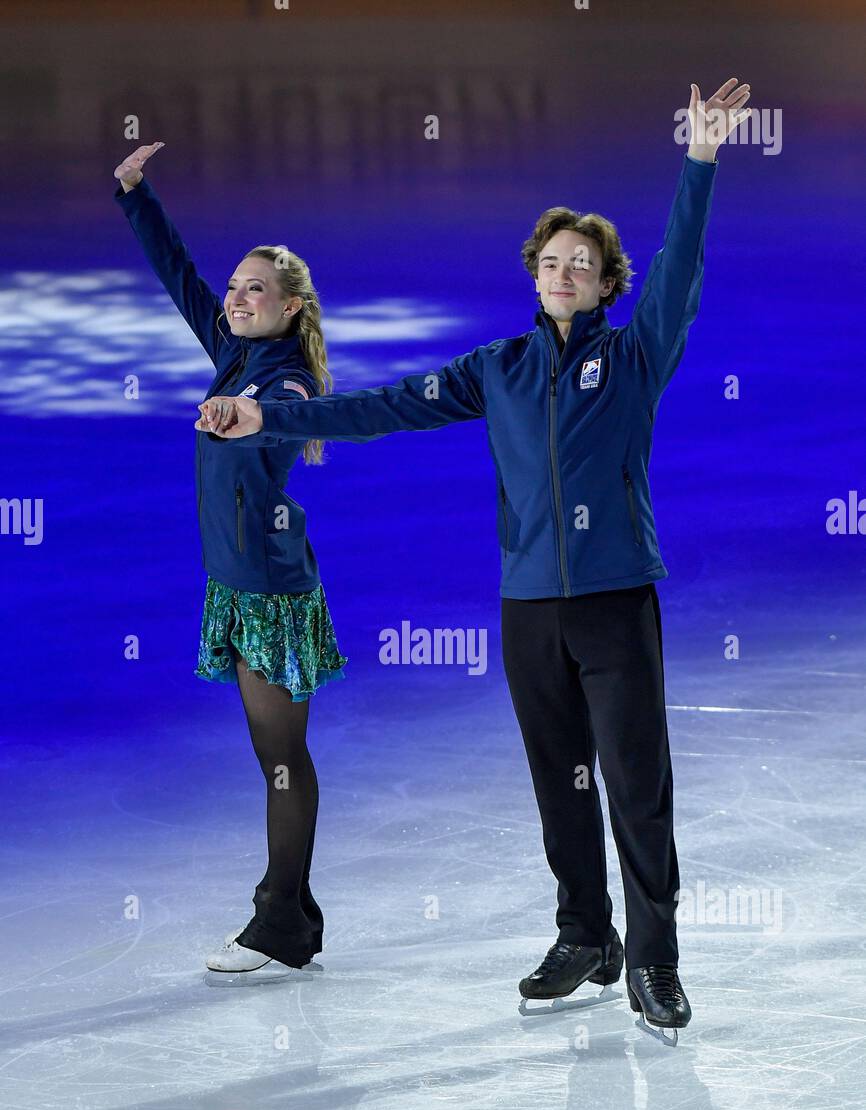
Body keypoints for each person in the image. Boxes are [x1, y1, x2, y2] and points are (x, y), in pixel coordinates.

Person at [197, 79, 751, 1040]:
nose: (563, 271)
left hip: (617, 601)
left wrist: (699, 160)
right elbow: (378, 408)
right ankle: (585, 934)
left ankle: (654, 961)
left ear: (607, 283)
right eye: (550, 260)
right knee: (558, 781)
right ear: (533, 274)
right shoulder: (496, 368)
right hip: (529, 606)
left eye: (583, 263)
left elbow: (682, 275)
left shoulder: (632, 358)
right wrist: (265, 414)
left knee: (633, 780)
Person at [114, 141, 347, 975]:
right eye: (237, 286)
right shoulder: (237, 351)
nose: (237, 297)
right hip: (237, 585)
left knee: (282, 760)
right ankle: (294, 907)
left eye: (257, 290)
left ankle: (282, 917)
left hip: (273, 595)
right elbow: (181, 276)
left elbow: (279, 413)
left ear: (289, 310)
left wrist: (236, 416)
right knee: (273, 758)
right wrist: (135, 193)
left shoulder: (279, 381)